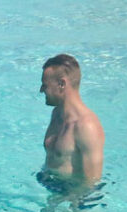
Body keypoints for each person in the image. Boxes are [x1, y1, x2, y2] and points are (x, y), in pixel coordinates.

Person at [38, 53, 105, 187]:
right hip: (52, 188)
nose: (41, 90)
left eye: (45, 85)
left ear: (61, 84)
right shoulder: (57, 114)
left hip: (71, 195)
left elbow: (91, 184)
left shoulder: (86, 126)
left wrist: (66, 199)